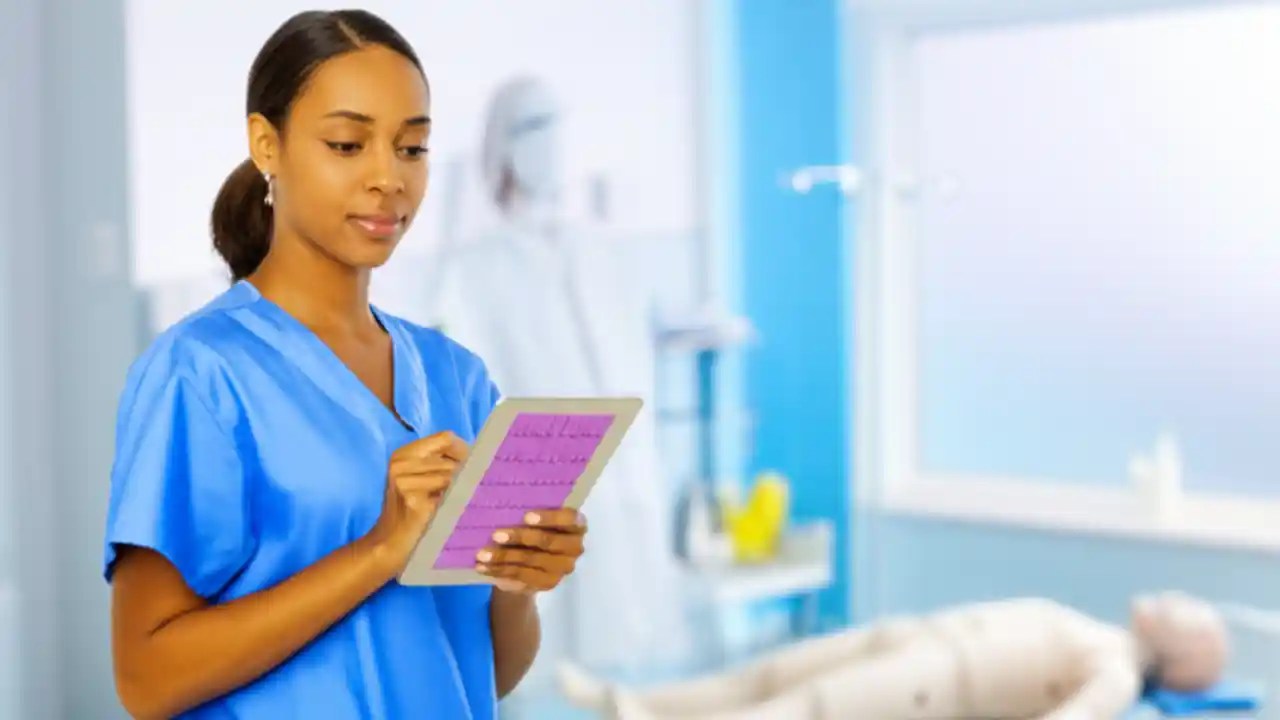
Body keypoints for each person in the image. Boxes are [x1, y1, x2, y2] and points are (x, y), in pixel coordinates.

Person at [103, 11, 586, 719]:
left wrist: (518, 582)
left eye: (412, 148)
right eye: (347, 144)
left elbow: (490, 672)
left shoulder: (458, 378)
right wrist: (380, 552)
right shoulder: (199, 374)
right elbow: (146, 680)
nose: (388, 178)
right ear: (268, 145)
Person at [431, 77, 695, 683]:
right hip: (536, 496)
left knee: (627, 652)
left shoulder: (601, 253)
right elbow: (463, 400)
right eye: (529, 128)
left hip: (626, 483)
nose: (547, 145)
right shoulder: (475, 270)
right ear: (499, 147)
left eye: (556, 124)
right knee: (545, 663)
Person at [559, 592, 1231, 719]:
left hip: (937, 685)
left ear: (1182, 653)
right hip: (913, 639)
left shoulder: (1115, 672)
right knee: (763, 676)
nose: (1173, 598)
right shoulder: (1098, 630)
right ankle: (631, 702)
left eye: (1188, 611)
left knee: (800, 710)